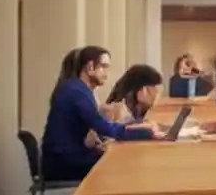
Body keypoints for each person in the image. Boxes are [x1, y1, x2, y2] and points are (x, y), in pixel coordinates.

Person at [41, 47, 163, 181]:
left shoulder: (77, 89)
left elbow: (102, 127)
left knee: (118, 157)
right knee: (121, 162)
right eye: (103, 67)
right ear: (90, 67)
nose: (106, 74)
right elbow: (104, 128)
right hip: (63, 163)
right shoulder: (77, 92)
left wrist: (138, 126)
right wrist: (146, 133)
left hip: (64, 157)